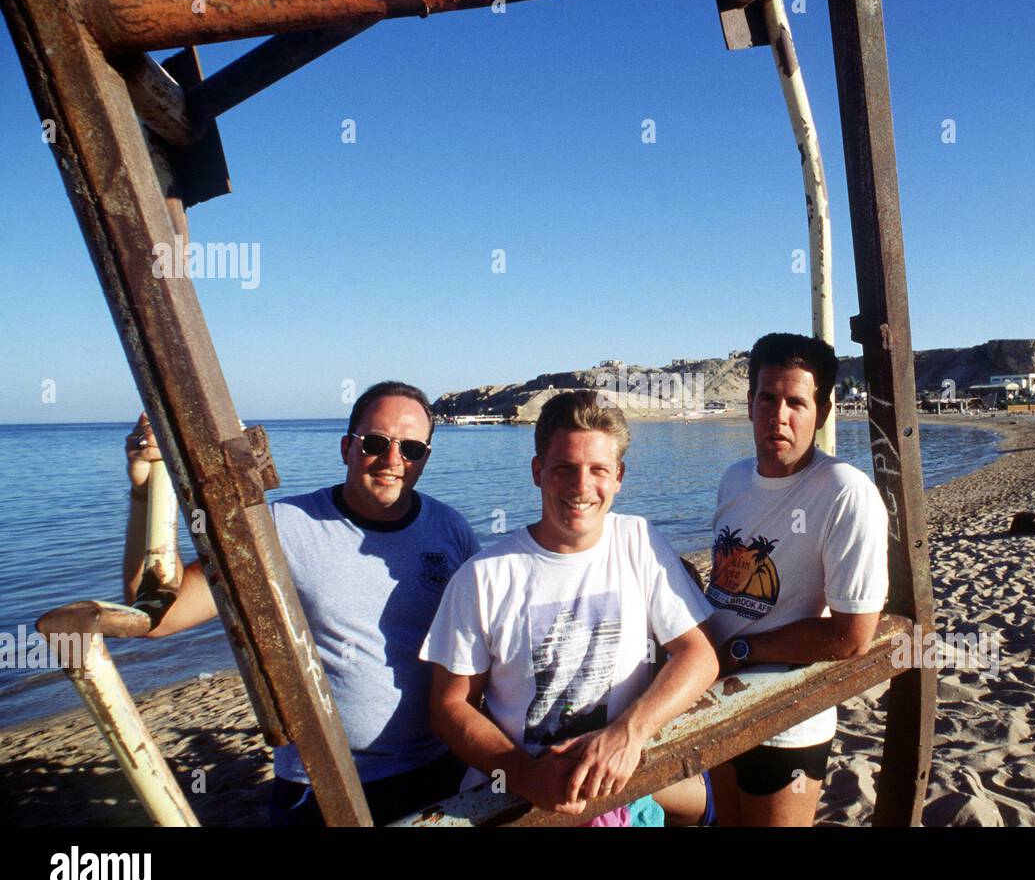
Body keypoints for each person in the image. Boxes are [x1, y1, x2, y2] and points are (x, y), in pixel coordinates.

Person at [122, 381, 479, 825]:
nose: (392, 461)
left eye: (411, 449)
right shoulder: (283, 528)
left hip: (439, 768)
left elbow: (482, 644)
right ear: (347, 446)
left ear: (424, 459)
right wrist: (146, 493)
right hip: (323, 783)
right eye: (375, 443)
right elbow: (159, 615)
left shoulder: (450, 530)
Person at [423, 391, 718, 825]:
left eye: (598, 470)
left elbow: (700, 653)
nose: (582, 487)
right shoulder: (483, 576)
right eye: (564, 469)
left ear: (618, 476)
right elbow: (450, 706)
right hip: (520, 797)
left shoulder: (637, 541)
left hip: (621, 785)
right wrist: (523, 773)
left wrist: (627, 733)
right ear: (538, 471)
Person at [703, 332, 889, 826]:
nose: (778, 415)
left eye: (795, 402)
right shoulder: (734, 478)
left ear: (822, 412)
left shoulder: (844, 492)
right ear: (749, 405)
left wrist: (741, 652)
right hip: (709, 703)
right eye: (767, 398)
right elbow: (725, 587)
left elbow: (852, 637)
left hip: (784, 719)